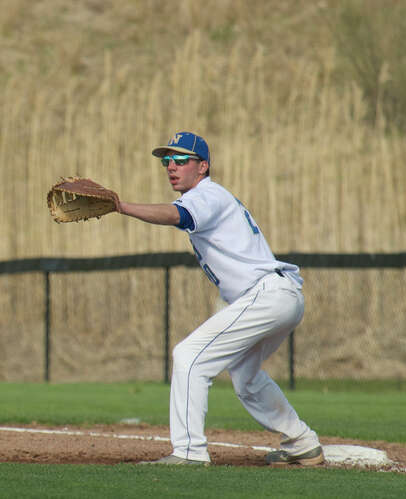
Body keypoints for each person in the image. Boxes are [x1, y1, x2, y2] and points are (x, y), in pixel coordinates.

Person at [116, 132, 322, 466]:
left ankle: (189, 452)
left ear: (203, 167)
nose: (171, 166)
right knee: (246, 376)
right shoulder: (208, 196)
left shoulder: (208, 194)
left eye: (181, 160)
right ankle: (302, 443)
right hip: (280, 296)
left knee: (189, 356)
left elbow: (178, 216)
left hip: (267, 295)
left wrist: (121, 206)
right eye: (167, 160)